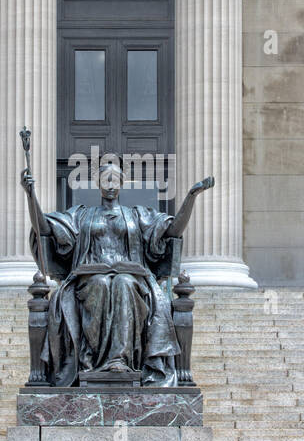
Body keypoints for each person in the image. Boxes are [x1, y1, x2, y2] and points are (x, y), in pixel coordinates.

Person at [20, 160, 214, 386]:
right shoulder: (81, 216)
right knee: (101, 283)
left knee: (123, 283)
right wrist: (30, 195)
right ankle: (91, 360)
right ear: (97, 183)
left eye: (115, 180)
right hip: (89, 279)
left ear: (122, 183)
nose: (110, 185)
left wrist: (191, 197)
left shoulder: (137, 215)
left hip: (132, 279)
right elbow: (44, 228)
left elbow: (172, 231)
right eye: (105, 179)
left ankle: (118, 360)